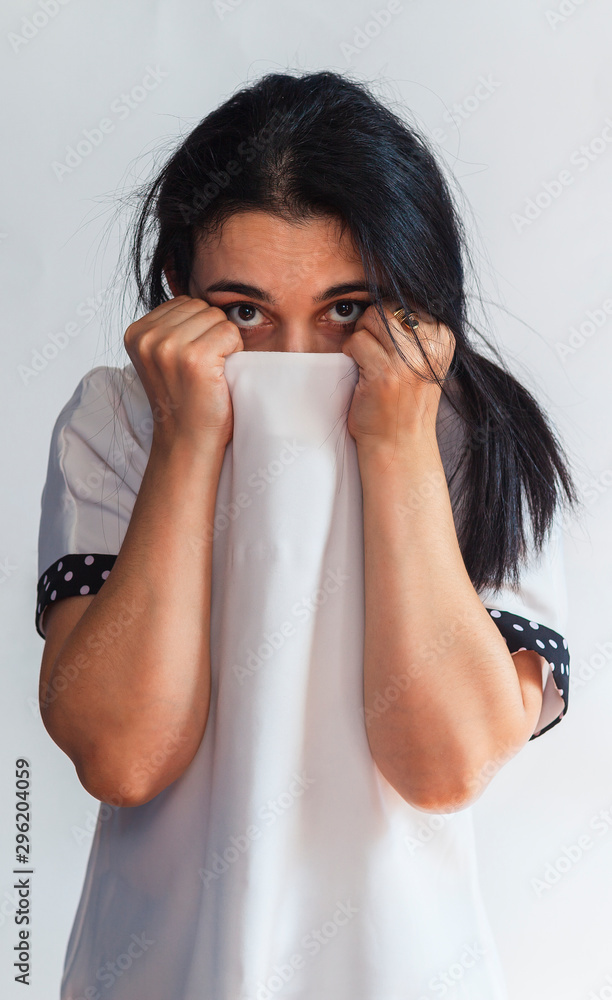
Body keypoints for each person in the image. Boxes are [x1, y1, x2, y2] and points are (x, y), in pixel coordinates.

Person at [35, 69, 578, 999]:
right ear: (178, 289)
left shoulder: (476, 436)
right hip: (158, 967)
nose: (295, 364)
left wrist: (398, 441)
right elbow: (121, 754)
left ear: (412, 290)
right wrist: (188, 438)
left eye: (346, 311)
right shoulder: (120, 418)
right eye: (244, 312)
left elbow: (446, 763)